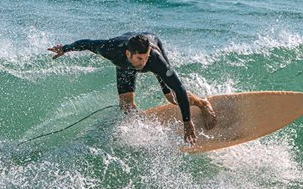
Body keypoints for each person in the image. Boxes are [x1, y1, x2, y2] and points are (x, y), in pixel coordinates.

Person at [48, 32, 216, 143]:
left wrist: (187, 122)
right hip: (123, 65)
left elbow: (179, 88)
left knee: (172, 97)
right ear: (129, 54)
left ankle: (203, 104)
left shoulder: (155, 60)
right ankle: (141, 130)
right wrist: (65, 49)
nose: (143, 63)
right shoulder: (110, 49)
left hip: (153, 44)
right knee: (126, 107)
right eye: (139, 59)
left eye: (145, 58)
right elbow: (87, 44)